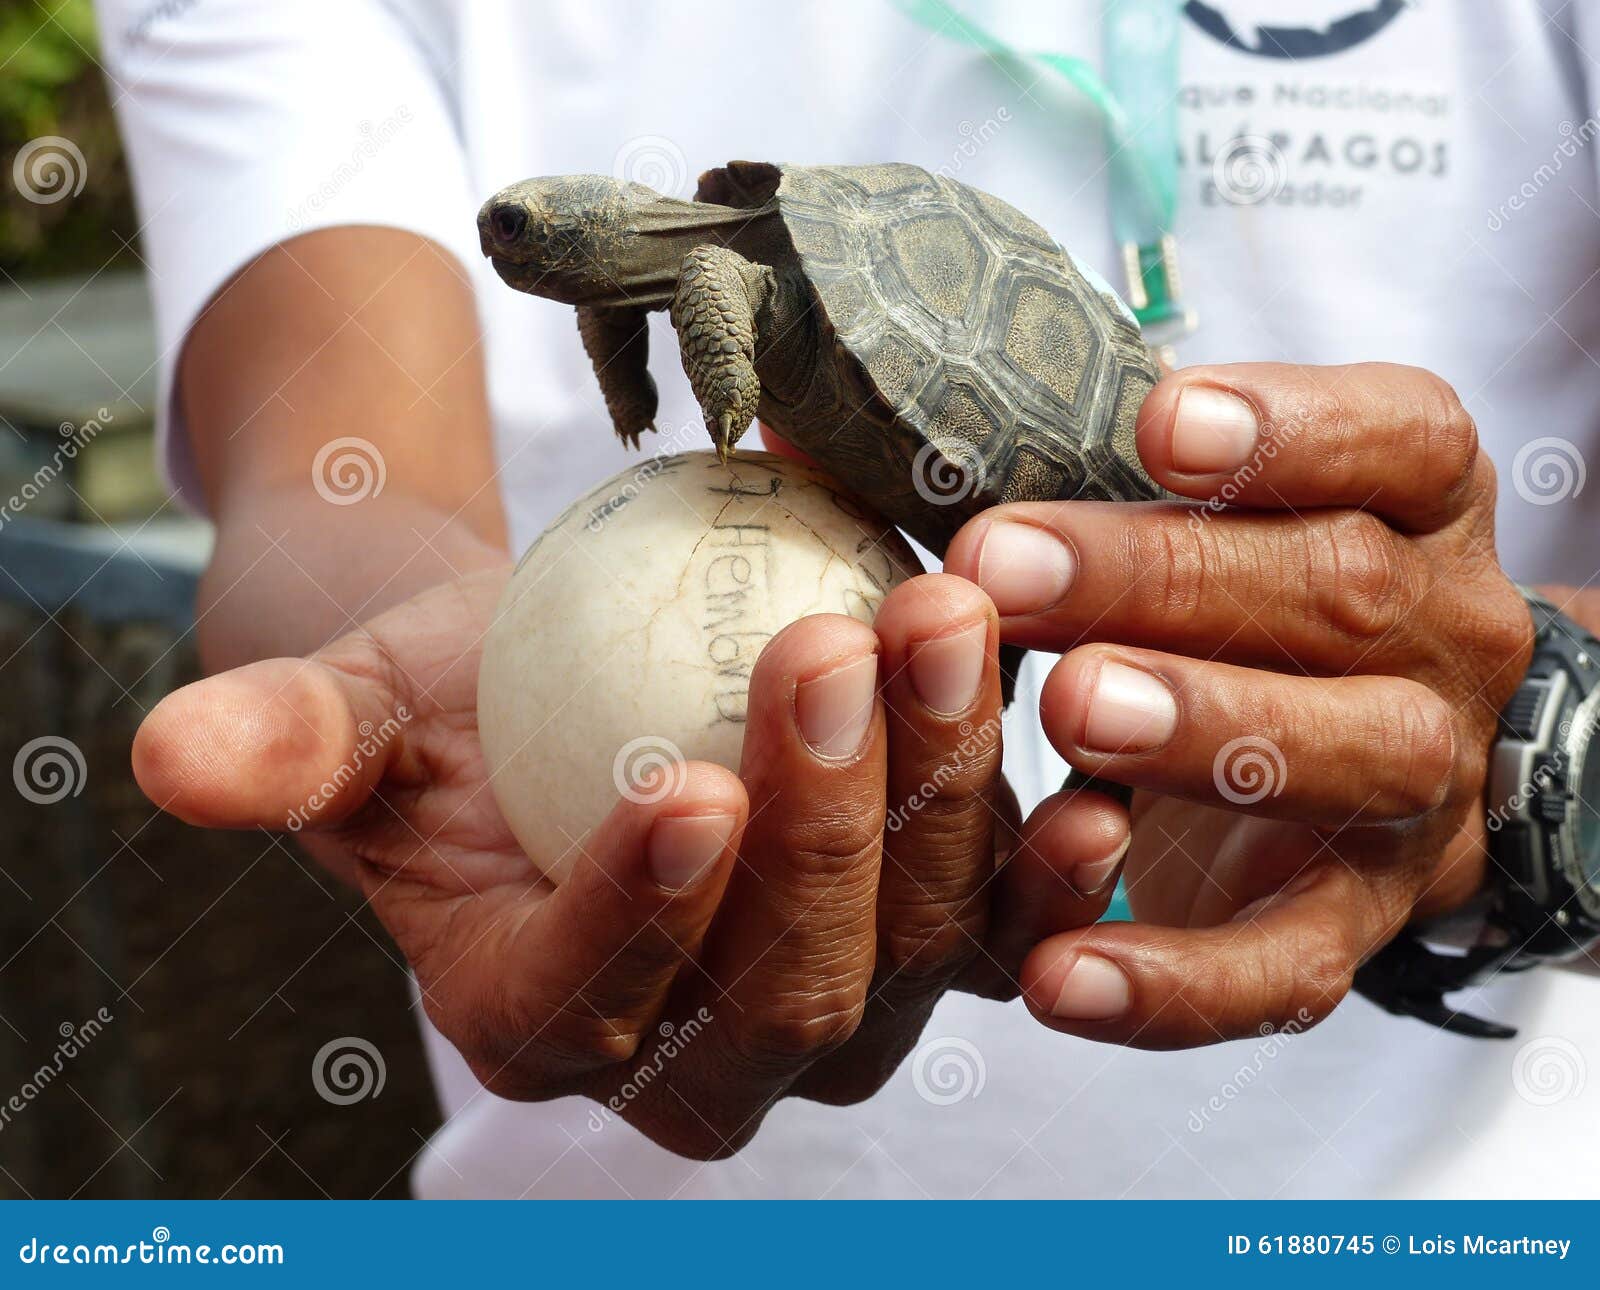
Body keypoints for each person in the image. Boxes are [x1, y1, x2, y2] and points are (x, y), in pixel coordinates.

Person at [102, 0, 1600, 1198]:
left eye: (534, 244)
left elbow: (719, 296)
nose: (524, 256)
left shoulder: (726, 275)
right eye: (520, 242)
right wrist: (426, 666)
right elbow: (321, 476)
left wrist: (1525, 763)